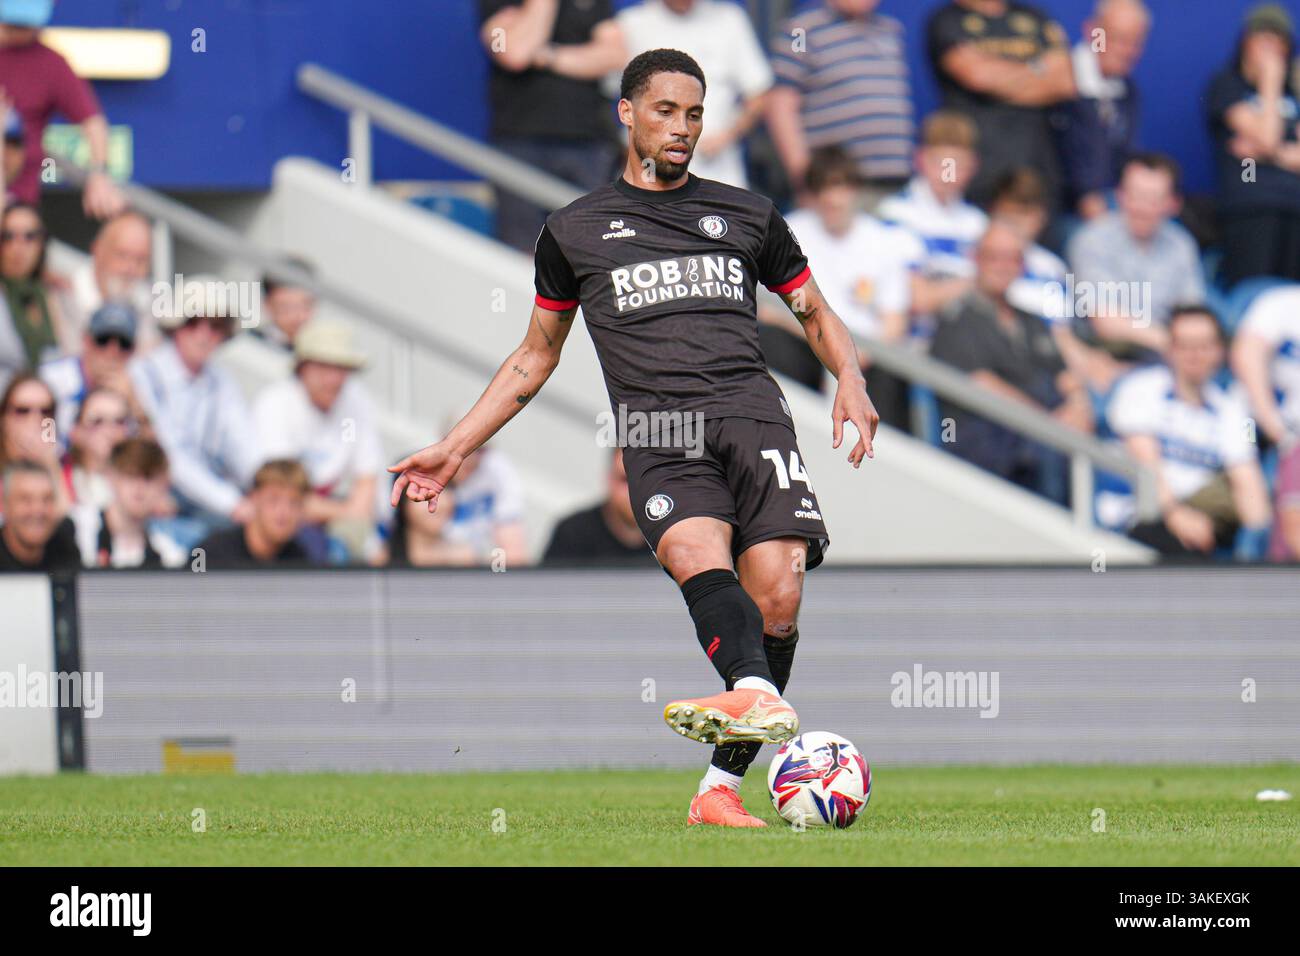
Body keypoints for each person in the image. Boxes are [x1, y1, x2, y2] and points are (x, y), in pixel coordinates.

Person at [389, 49, 878, 828]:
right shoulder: (575, 231)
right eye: (664, 111)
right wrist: (455, 446)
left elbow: (814, 310)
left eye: (694, 114)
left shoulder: (748, 214)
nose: (681, 129)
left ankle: (718, 787)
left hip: (752, 414)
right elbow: (534, 355)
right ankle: (754, 694)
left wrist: (850, 379)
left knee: (779, 596)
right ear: (626, 111)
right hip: (659, 428)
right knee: (696, 557)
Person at [930, 220, 1092, 502]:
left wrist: (1078, 409)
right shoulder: (957, 319)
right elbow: (981, 386)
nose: (1003, 266)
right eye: (993, 257)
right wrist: (1047, 424)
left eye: (1012, 258)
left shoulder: (1031, 321)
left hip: (1044, 434)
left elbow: (1065, 377)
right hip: (988, 439)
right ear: (976, 259)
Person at [1110, 306, 1272, 559]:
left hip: (1204, 522)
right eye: (1185, 345)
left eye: (1204, 345)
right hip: (1141, 515)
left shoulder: (1234, 410)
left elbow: (1247, 477)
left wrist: (1259, 544)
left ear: (1219, 351)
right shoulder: (1140, 388)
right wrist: (1175, 513)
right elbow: (1144, 462)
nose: (1194, 354)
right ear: (1170, 349)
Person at [478, 0, 626, 251]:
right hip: (519, 144)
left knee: (589, 251)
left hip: (589, 145)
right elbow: (515, 53)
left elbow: (615, 56)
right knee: (521, 251)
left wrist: (547, 55)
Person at [780, 147, 912, 427]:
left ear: (856, 191)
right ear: (813, 197)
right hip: (807, 343)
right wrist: (833, 352)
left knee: (892, 375)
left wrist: (853, 359)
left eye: (842, 189)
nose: (834, 200)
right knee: (777, 346)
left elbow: (894, 323)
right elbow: (769, 310)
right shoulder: (792, 231)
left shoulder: (883, 241)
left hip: (867, 356)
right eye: (825, 191)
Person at [128, 275, 260, 546]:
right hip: (156, 503)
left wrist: (265, 492)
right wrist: (234, 504)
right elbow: (170, 457)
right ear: (176, 326)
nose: (204, 334)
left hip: (207, 503)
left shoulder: (222, 382)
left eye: (215, 326)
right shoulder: (145, 373)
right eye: (194, 322)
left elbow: (246, 449)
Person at [253, 319, 382, 562]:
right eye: (323, 367)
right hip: (287, 518)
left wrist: (348, 514)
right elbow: (280, 491)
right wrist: (348, 512)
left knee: (375, 549)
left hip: (332, 513)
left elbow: (367, 479)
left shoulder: (356, 402)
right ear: (302, 368)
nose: (333, 379)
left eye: (341, 369)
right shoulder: (276, 403)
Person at [927, 0, 1075, 209]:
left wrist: (1001, 81)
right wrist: (1038, 69)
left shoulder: (1035, 16)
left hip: (1037, 168)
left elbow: (1065, 82)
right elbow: (978, 76)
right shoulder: (947, 19)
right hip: (977, 175)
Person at [612, 0, 771, 189]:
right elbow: (617, 91)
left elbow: (759, 91)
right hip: (650, 175)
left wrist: (727, 135)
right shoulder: (631, 22)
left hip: (718, 173)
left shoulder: (729, 19)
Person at [767, 0, 913, 205]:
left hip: (897, 186)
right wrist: (805, 179)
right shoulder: (801, 30)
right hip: (837, 188)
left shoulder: (890, 30)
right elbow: (781, 106)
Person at [1066, 153, 1205, 358]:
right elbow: (1105, 322)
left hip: (1171, 354)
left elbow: (1192, 313)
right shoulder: (1091, 240)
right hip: (1110, 352)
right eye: (1136, 196)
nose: (1142, 208)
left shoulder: (1181, 244)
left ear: (1173, 204)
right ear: (1119, 195)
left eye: (1154, 199)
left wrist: (1187, 346)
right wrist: (1177, 346)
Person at [0, 3, 125, 217]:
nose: (19, 31)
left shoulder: (51, 63)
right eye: (12, 23)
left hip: (20, 207)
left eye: (26, 24)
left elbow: (94, 123)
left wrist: (99, 174)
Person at [1206, 3, 1300, 285]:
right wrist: (1270, 82)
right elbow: (1268, 138)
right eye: (1263, 38)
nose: (1270, 48)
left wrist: (1269, 155)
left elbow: (1268, 146)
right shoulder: (1227, 85)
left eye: (1278, 40)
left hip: (1295, 207)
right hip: (1250, 204)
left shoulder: (1294, 92)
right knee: (1253, 294)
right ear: (1246, 41)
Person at [878, 111, 987, 339]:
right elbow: (917, 299)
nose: (949, 175)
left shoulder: (978, 224)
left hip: (969, 343)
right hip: (913, 347)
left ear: (974, 166)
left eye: (958, 165)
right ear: (920, 159)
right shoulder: (896, 213)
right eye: (941, 163)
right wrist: (979, 281)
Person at [1055, 0, 1150, 221]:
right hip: (1061, 212)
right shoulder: (1058, 82)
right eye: (1118, 39)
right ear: (1092, 32)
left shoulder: (1127, 90)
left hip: (1111, 208)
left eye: (1135, 43)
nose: (1127, 51)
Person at [1231, 285, 1300, 560]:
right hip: (1256, 425)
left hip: (1290, 439)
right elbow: (1246, 356)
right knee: (1243, 446)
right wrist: (1274, 427)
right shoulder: (1281, 302)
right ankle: (1256, 533)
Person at [70, 437, 185, 569]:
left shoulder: (168, 554)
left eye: (148, 477)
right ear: (110, 476)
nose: (139, 488)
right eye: (130, 475)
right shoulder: (77, 528)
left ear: (164, 484)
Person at [40, 301, 148, 438]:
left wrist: (134, 406)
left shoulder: (140, 388)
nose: (112, 352)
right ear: (86, 341)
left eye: (124, 344)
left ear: (133, 350)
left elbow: (155, 452)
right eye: (103, 340)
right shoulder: (52, 381)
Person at [58, 212, 157, 350]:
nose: (131, 269)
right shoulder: (63, 297)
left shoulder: (148, 300)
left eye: (141, 260)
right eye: (122, 256)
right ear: (97, 250)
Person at [542, 448, 658, 565]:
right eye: (625, 479)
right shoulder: (571, 534)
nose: (635, 490)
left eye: (647, 479)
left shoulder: (671, 539)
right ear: (609, 479)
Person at [196, 459, 313, 569]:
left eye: (294, 503)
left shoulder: (299, 560)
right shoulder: (211, 553)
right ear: (254, 499)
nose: (284, 512)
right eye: (273, 500)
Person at [1, 202, 68, 368]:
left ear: (41, 244)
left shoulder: (53, 294)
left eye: (29, 236)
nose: (18, 247)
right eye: (7, 236)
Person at [0, 371, 66, 516]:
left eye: (45, 411)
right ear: (4, 418)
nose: (35, 419)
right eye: (23, 410)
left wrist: (51, 466)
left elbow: (70, 529)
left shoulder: (68, 469)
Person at [0, 458, 79, 571]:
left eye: (46, 499)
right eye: (25, 499)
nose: (37, 510)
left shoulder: (65, 548)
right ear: (4, 505)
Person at [62, 386, 131, 511]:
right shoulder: (57, 480)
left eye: (119, 421)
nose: (110, 430)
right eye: (97, 421)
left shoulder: (145, 484)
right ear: (75, 431)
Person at [386, 486, 477, 568]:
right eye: (424, 495)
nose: (438, 504)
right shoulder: (384, 558)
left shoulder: (462, 558)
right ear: (403, 504)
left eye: (442, 490)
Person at [251, 258, 316, 352]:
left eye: (306, 305)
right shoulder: (248, 345)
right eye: (288, 307)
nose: (299, 316)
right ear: (267, 305)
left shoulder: (312, 351)